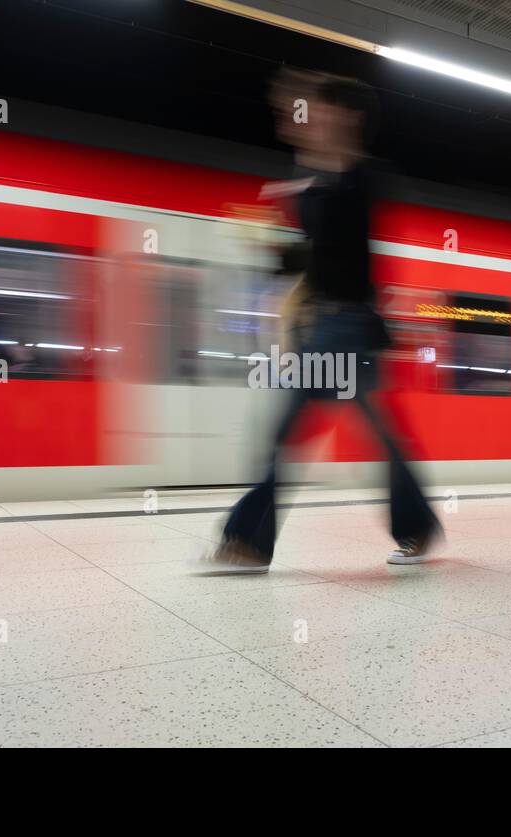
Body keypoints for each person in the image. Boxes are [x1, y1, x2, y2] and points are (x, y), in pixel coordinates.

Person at [200, 70, 442, 574]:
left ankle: (247, 540)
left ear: (348, 116)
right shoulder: (312, 184)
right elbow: (305, 263)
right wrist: (272, 242)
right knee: (379, 436)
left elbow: (345, 245)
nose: (303, 118)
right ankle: (417, 525)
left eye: (316, 109)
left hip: (348, 325)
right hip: (326, 326)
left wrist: (309, 183)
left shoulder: (363, 177)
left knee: (287, 431)